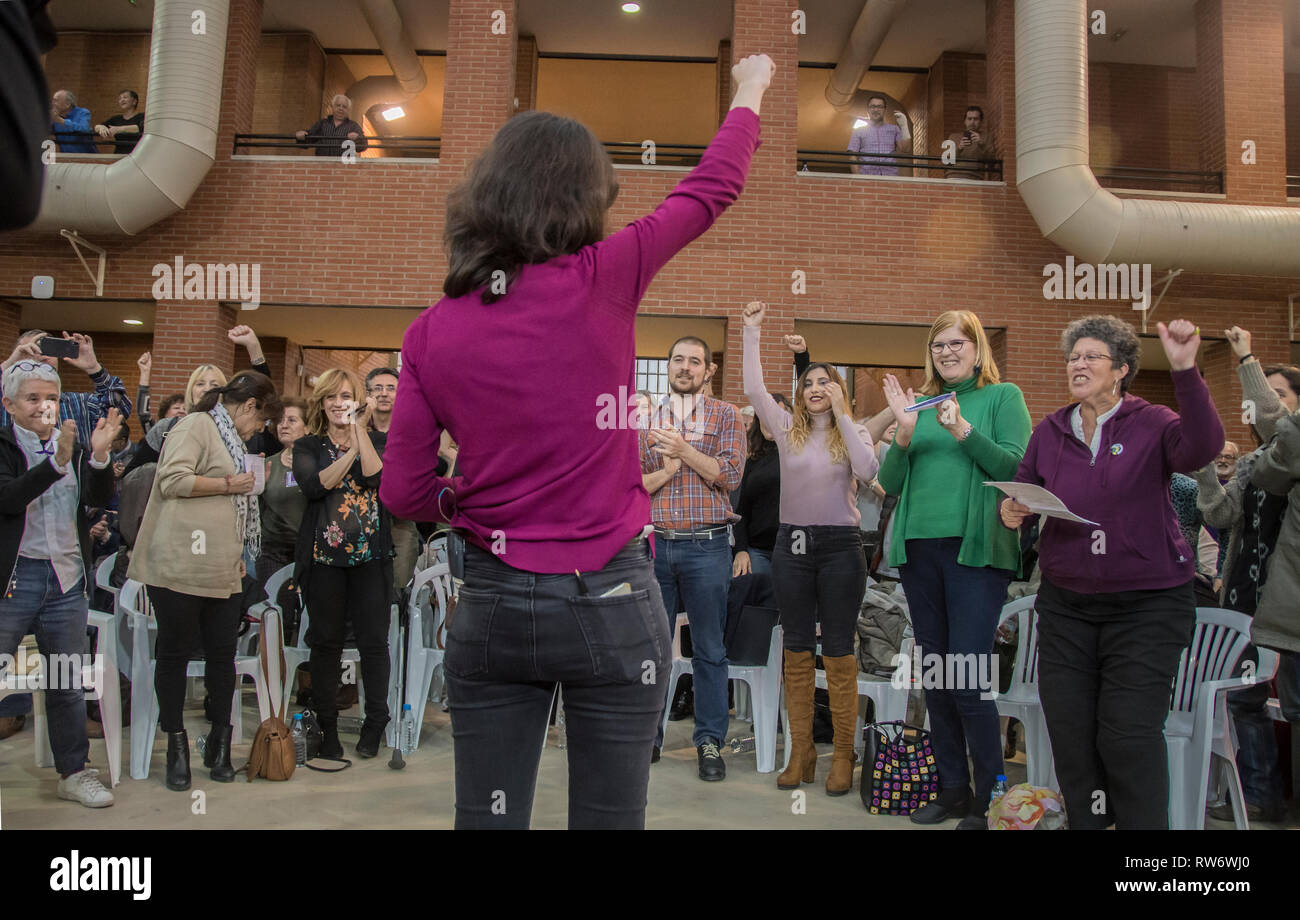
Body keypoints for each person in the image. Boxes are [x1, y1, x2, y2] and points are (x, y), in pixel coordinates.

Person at [378, 52, 772, 828]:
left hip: (492, 603)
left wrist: (462, 500)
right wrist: (750, 88)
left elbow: (402, 492)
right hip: (615, 601)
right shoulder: (607, 273)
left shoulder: (433, 329)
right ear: (583, 198)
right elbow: (711, 188)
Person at [1001, 316, 1222, 830]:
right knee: (1073, 738)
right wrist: (1012, 509)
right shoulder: (1051, 431)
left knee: (1125, 735)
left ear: (1121, 369)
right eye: (1073, 357)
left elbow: (1203, 447)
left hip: (1148, 606)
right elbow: (1023, 488)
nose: (1078, 364)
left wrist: (1186, 369)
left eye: (1091, 356)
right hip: (1067, 605)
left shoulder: (1154, 422)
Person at [879, 309, 1031, 829]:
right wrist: (902, 434)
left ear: (977, 347)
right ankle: (952, 790)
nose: (946, 352)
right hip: (919, 553)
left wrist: (963, 429)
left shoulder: (1002, 396)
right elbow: (889, 483)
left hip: (976, 554)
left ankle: (992, 796)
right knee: (938, 678)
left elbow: (1016, 469)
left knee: (968, 679)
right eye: (938, 345)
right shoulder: (919, 405)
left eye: (956, 343)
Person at [742, 301, 882, 795]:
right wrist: (752, 332)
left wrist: (844, 415)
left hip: (841, 547)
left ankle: (842, 756)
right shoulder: (785, 429)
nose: (816, 388)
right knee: (796, 648)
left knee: (839, 650)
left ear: (838, 390)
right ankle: (800, 751)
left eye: (826, 381)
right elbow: (756, 389)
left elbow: (868, 471)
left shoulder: (855, 432)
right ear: (801, 394)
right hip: (792, 546)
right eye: (810, 383)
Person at [128, 370, 281, 790]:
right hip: (180, 564)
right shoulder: (197, 424)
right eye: (261, 421)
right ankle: (177, 743)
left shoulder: (233, 436)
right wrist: (231, 484)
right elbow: (172, 479)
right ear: (249, 406)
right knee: (175, 653)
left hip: (221, 565)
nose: (259, 431)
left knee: (221, 656)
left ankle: (219, 741)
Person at [0, 362, 118, 806]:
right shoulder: (5, 445)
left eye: (50, 397)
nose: (43, 406)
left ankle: (74, 772)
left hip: (65, 576)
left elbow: (97, 499)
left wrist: (100, 456)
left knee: (66, 681)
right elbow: (7, 499)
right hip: (15, 577)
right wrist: (57, 463)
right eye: (32, 398)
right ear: (9, 404)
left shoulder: (69, 441)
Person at [1193, 326, 1297, 823]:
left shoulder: (1290, 455)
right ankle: (1260, 794)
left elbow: (1284, 431)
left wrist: (1246, 359)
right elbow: (1219, 515)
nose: (1261, 406)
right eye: (1260, 396)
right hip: (1242, 596)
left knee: (1294, 704)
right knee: (1245, 700)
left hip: (1286, 602)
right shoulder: (1254, 460)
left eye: (1277, 397)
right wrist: (1205, 469)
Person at [641, 333, 747, 779]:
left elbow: (730, 474)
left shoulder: (726, 415)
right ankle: (646, 738)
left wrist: (683, 451)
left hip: (707, 548)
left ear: (709, 371)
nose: (685, 367)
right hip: (655, 547)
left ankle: (709, 743)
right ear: (669, 366)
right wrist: (667, 469)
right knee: (650, 650)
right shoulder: (646, 418)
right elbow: (634, 481)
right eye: (678, 359)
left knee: (708, 649)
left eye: (695, 361)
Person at [293, 369, 392, 760]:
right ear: (321, 401)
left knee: (373, 643)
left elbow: (376, 478)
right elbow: (315, 485)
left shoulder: (379, 439)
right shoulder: (308, 444)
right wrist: (349, 449)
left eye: (347, 396)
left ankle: (375, 724)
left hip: (371, 557)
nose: (340, 403)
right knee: (326, 644)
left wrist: (360, 434)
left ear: (358, 402)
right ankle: (328, 730)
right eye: (332, 396)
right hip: (323, 560)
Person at [0, 330, 131, 449]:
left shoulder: (81, 404)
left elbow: (119, 412)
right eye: (31, 351)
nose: (41, 356)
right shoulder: (7, 403)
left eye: (48, 349)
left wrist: (94, 369)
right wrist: (8, 365)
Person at [365, 367, 423, 596]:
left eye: (390, 388)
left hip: (400, 525)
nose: (383, 393)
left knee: (396, 596)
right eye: (377, 388)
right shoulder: (355, 430)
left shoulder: (412, 431)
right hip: (359, 522)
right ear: (367, 393)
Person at [732, 391, 792, 583]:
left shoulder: (800, 455)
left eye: (775, 415)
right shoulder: (752, 458)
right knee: (758, 608)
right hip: (757, 551)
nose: (769, 421)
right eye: (763, 416)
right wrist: (740, 550)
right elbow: (741, 509)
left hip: (795, 550)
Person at [258, 396, 308, 591]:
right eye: (280, 420)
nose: (283, 425)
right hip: (273, 550)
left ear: (308, 427)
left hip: (309, 549)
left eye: (292, 420)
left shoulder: (319, 464)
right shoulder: (266, 464)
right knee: (278, 612)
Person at [847, 95, 910, 177]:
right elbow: (852, 156)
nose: (876, 110)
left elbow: (906, 148)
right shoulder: (858, 131)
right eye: (873, 106)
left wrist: (904, 126)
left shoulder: (894, 129)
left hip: (890, 175)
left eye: (880, 107)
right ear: (868, 110)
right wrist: (858, 177)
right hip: (867, 175)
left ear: (884, 110)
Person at [296, 95, 368, 158]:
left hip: (344, 166)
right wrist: (302, 136)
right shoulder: (322, 123)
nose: (341, 108)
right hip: (322, 165)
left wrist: (357, 138)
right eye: (338, 105)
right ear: (332, 107)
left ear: (348, 110)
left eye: (344, 107)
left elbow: (363, 146)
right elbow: (308, 141)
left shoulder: (353, 126)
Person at [944, 105, 993, 179]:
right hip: (954, 175)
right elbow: (946, 162)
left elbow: (992, 161)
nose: (972, 122)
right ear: (965, 121)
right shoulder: (953, 137)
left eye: (976, 119)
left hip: (975, 177)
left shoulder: (986, 137)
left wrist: (981, 144)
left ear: (981, 121)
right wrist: (959, 148)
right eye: (969, 119)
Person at [94, 89, 143, 154]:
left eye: (125, 97)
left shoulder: (142, 116)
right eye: (120, 99)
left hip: (137, 154)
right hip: (119, 154)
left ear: (134, 101)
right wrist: (102, 128)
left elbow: (140, 128)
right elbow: (97, 126)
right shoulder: (116, 118)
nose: (122, 100)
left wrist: (119, 129)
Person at [50, 89, 95, 153]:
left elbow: (84, 129)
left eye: (56, 101)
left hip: (86, 158)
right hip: (66, 158)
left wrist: (61, 121)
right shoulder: (55, 117)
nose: (53, 103)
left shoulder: (83, 113)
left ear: (68, 104)